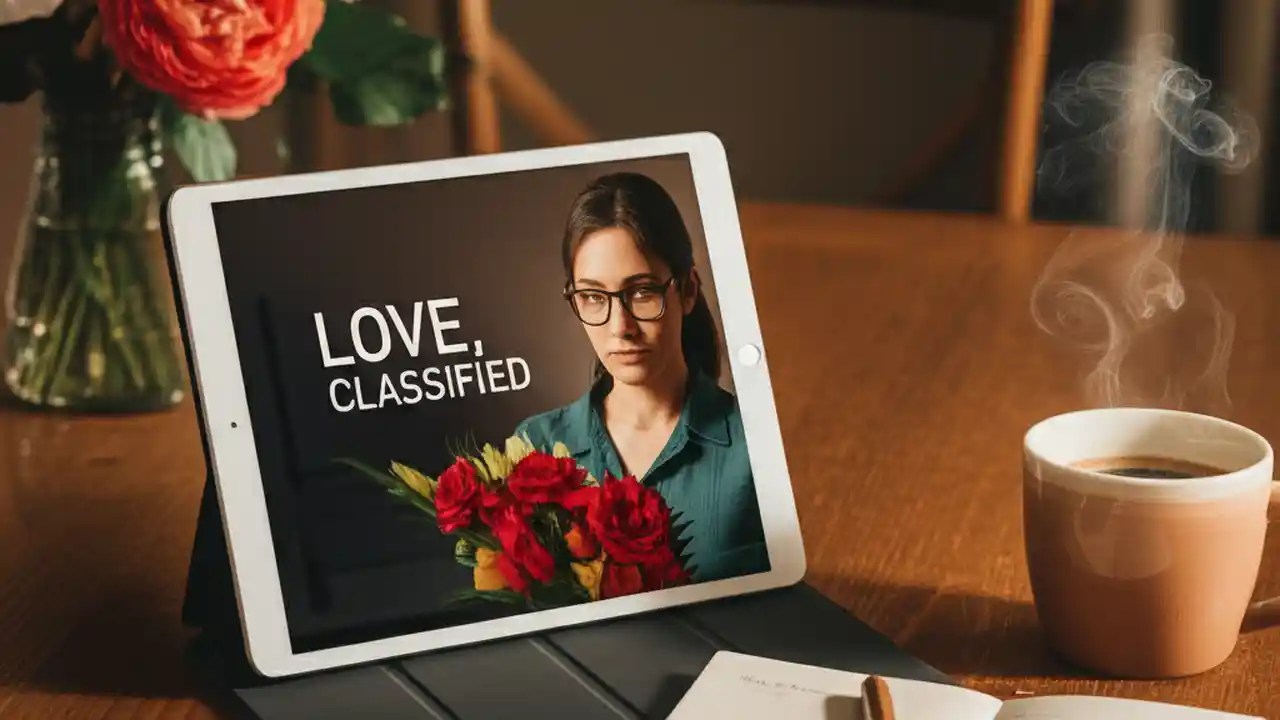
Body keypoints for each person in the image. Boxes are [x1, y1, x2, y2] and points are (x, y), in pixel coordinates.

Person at [515, 172, 769, 583]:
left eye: (642, 292)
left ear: (687, 291)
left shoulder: (755, 444)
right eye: (594, 297)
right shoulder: (535, 448)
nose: (621, 326)